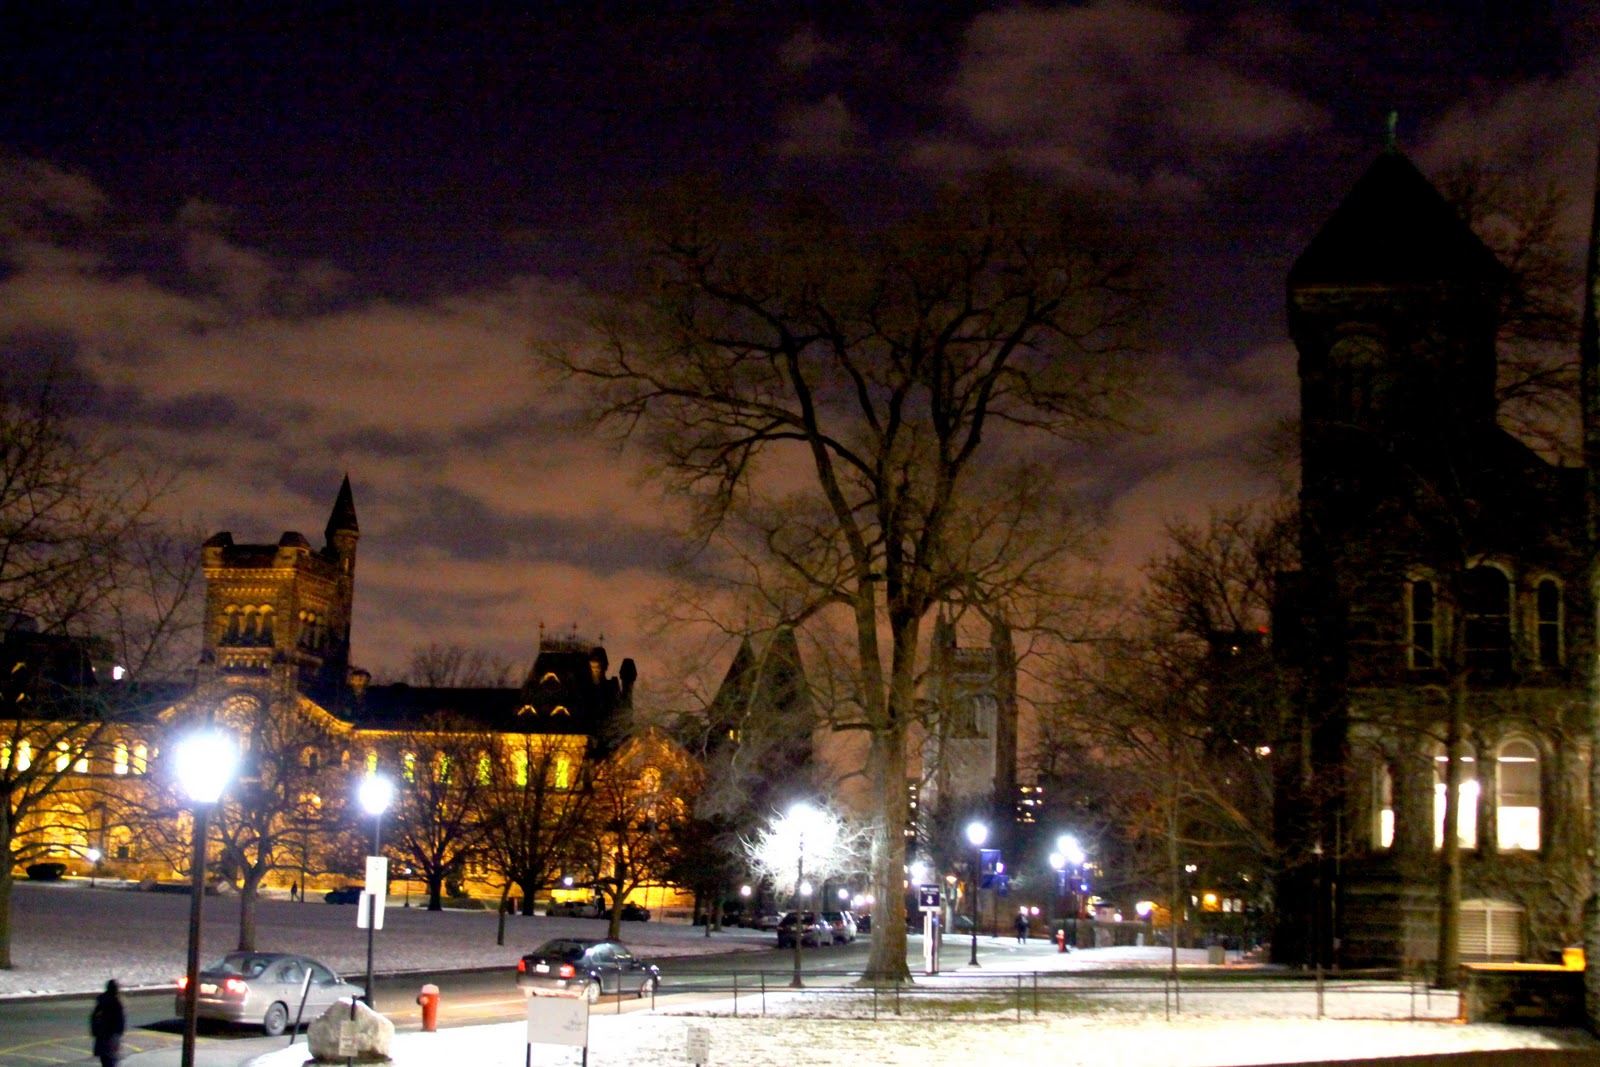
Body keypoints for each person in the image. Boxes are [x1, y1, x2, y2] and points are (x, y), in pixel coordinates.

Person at [90, 979, 125, 1067]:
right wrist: (120, 1031)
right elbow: (120, 1018)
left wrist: (95, 1029)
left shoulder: (102, 1000)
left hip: (102, 1033)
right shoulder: (116, 1001)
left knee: (105, 1057)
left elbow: (94, 1016)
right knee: (111, 1057)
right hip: (111, 1033)